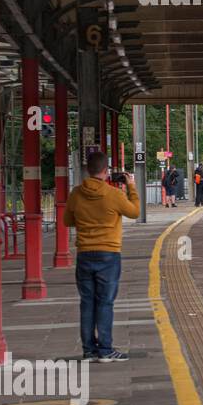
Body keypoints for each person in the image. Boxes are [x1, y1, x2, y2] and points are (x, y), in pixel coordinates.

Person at [62, 151, 138, 362]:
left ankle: (88, 350)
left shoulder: (76, 193)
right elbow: (134, 212)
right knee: (105, 302)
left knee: (87, 302)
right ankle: (105, 350)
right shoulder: (114, 194)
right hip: (108, 254)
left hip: (84, 253)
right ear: (106, 171)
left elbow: (67, 221)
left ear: (88, 170)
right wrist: (131, 186)